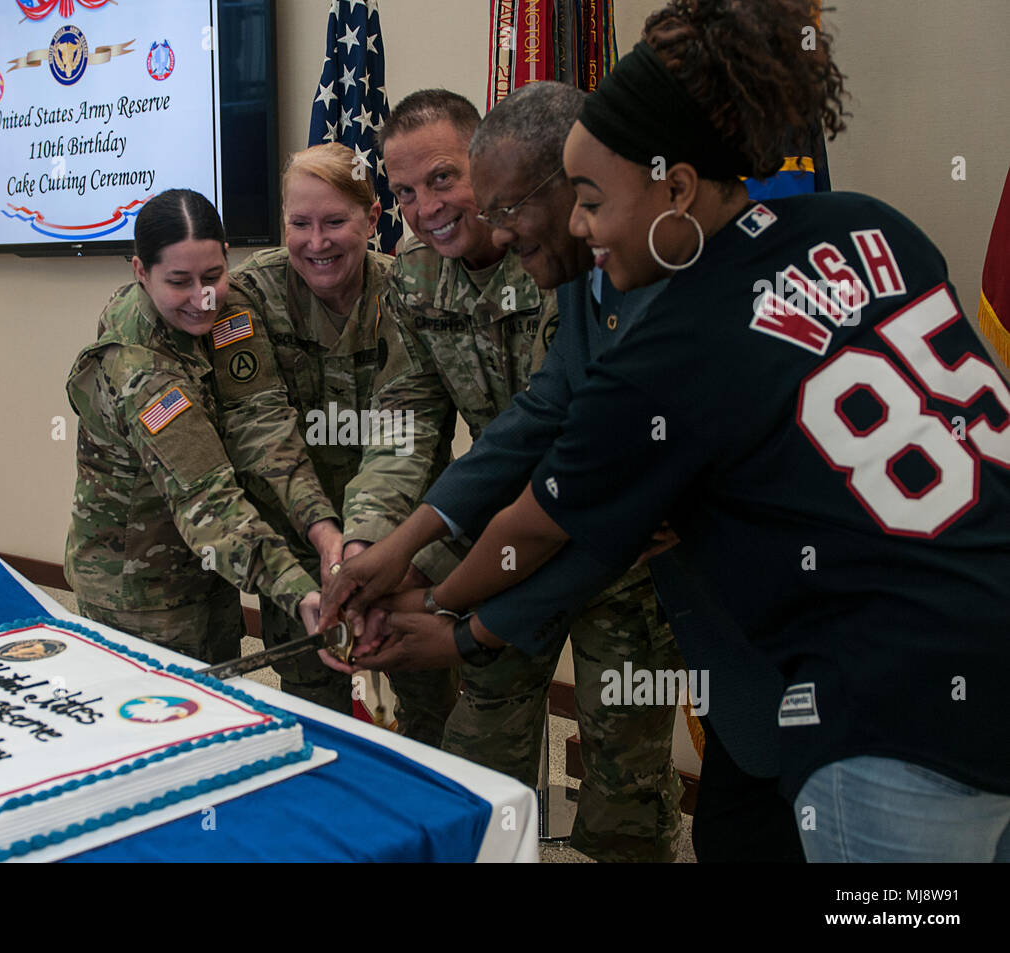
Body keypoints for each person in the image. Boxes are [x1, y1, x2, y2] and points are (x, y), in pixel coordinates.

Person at [329, 0, 1010, 862]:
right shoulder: (870, 224)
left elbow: (543, 522)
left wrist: (447, 617)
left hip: (892, 711)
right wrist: (411, 555)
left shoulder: (677, 337)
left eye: (590, 201)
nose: (579, 227)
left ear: (675, 188)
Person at [324, 82, 684, 862]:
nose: (427, 209)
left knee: (625, 787)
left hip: (617, 546)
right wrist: (369, 544)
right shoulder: (414, 278)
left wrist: (447, 601)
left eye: (444, 179)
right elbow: (406, 428)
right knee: (478, 762)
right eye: (405, 191)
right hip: (508, 537)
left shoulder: (583, 260)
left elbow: (576, 464)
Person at [209, 142, 459, 731]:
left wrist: (365, 549)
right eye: (300, 223)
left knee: (432, 707)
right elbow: (260, 427)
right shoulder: (249, 298)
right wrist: (327, 542)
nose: (316, 242)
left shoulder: (409, 295)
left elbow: (407, 432)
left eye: (334, 222)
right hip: (302, 547)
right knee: (313, 714)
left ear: (373, 219)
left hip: (408, 547)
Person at [65, 189, 322, 664]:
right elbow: (208, 501)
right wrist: (300, 591)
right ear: (141, 272)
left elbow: (259, 420)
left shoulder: (227, 308)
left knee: (219, 699)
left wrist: (319, 525)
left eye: (213, 276)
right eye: (179, 281)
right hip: (140, 596)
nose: (202, 298)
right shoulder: (141, 370)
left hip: (208, 569)